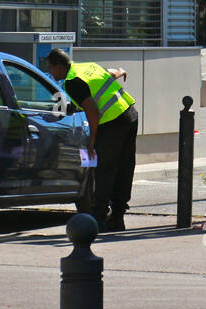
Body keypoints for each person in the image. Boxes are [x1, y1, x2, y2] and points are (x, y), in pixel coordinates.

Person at [44, 47, 137, 232]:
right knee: (125, 167)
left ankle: (99, 218)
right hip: (129, 115)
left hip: (112, 122)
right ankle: (118, 217)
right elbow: (110, 74)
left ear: (58, 66)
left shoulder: (71, 82)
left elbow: (92, 111)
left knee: (104, 169)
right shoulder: (87, 67)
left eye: (50, 68)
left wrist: (92, 140)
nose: (50, 72)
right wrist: (121, 70)